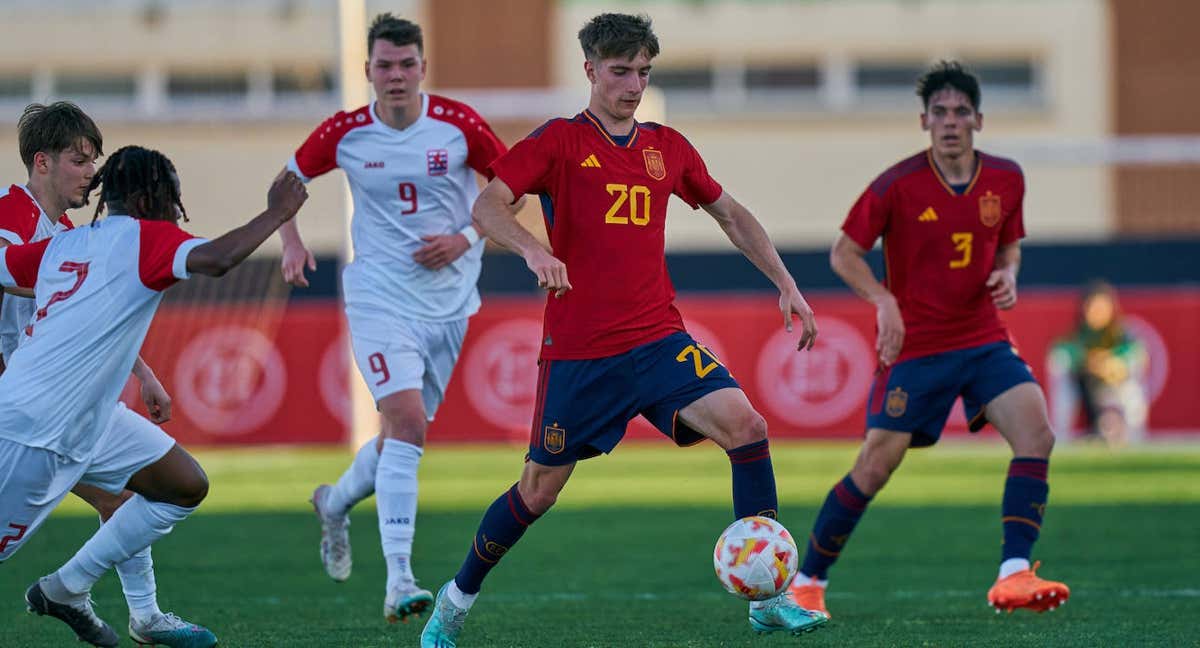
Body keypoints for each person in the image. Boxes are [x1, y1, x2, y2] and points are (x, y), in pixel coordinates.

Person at [421, 13, 825, 647]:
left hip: (660, 340)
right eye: (620, 72)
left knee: (747, 427)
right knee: (537, 491)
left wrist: (786, 283)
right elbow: (488, 203)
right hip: (581, 354)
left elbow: (730, 212)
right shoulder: (557, 141)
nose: (633, 85)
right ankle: (454, 600)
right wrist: (533, 250)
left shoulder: (669, 147)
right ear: (589, 71)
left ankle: (766, 599)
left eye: (643, 71)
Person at [786, 61, 1070, 617]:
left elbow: (1009, 243)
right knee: (874, 467)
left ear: (978, 120)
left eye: (960, 112)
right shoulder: (898, 185)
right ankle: (807, 580)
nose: (950, 122)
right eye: (939, 112)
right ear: (924, 120)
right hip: (917, 348)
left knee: (1037, 434)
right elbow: (843, 253)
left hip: (984, 337)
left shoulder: (1007, 178)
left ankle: (1013, 573)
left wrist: (1009, 272)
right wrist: (884, 300)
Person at [0, 145, 307, 646]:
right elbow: (219, 259)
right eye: (173, 196)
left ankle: (67, 587)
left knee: (182, 485)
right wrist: (278, 212)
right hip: (31, 430)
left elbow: (3, 269)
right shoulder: (147, 237)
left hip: (88, 418)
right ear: (149, 196)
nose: (177, 207)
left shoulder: (67, 244)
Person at [278, 13, 511, 623]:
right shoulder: (345, 132)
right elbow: (287, 183)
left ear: (423, 69)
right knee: (406, 423)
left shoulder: (459, 125)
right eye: (385, 65)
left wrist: (464, 237)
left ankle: (334, 502)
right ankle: (400, 581)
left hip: (451, 301)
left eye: (407, 65)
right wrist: (292, 242)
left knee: (398, 439)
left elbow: (510, 189)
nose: (397, 76)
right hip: (378, 294)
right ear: (368, 72)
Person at [0, 102, 216, 647]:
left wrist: (145, 374)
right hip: (20, 410)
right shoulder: (12, 215)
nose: (90, 172)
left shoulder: (67, 230)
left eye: (94, 160)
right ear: (42, 162)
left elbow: (80, 303)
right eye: (80, 159)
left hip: (55, 406)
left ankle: (140, 615)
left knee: (130, 498)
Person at [1048, 281, 1147, 446]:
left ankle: (1119, 432)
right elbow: (1063, 353)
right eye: (1093, 307)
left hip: (1118, 384)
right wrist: (1092, 363)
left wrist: (1111, 363)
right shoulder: (1078, 336)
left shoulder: (1121, 334)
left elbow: (1135, 354)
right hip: (1087, 386)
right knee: (1081, 380)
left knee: (1127, 388)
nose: (1097, 312)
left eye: (1102, 307)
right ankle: (1094, 430)